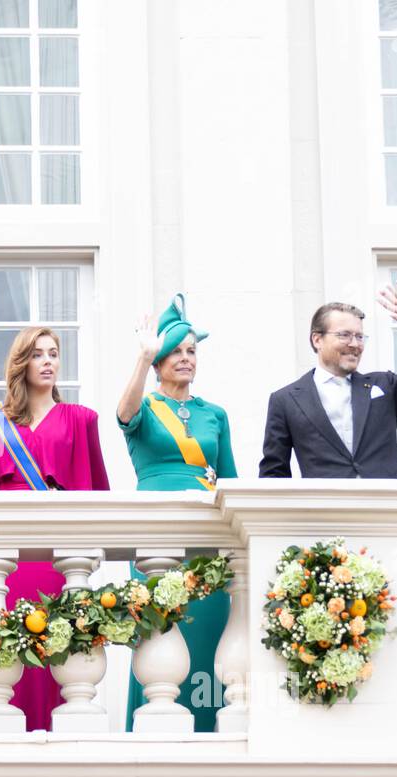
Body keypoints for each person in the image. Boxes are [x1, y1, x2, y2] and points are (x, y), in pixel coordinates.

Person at [0, 327, 109, 732]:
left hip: (58, 552)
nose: (49, 361)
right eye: (38, 355)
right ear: (22, 363)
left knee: (59, 650)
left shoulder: (81, 419)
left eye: (54, 354)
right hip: (8, 550)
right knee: (9, 649)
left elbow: (98, 491)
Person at [116, 295, 236, 732]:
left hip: (206, 540)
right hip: (157, 535)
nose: (185, 359)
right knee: (160, 635)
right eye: (175, 352)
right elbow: (123, 415)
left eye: (191, 351)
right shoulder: (146, 407)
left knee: (208, 636)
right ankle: (154, 732)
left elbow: (231, 483)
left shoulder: (214, 414)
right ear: (159, 361)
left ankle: (209, 733)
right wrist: (141, 356)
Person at [258, 283, 397, 480]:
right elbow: (274, 474)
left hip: (389, 509)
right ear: (317, 340)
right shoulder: (285, 400)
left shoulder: (385, 387)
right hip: (325, 511)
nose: (355, 344)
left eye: (360, 336)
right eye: (344, 335)